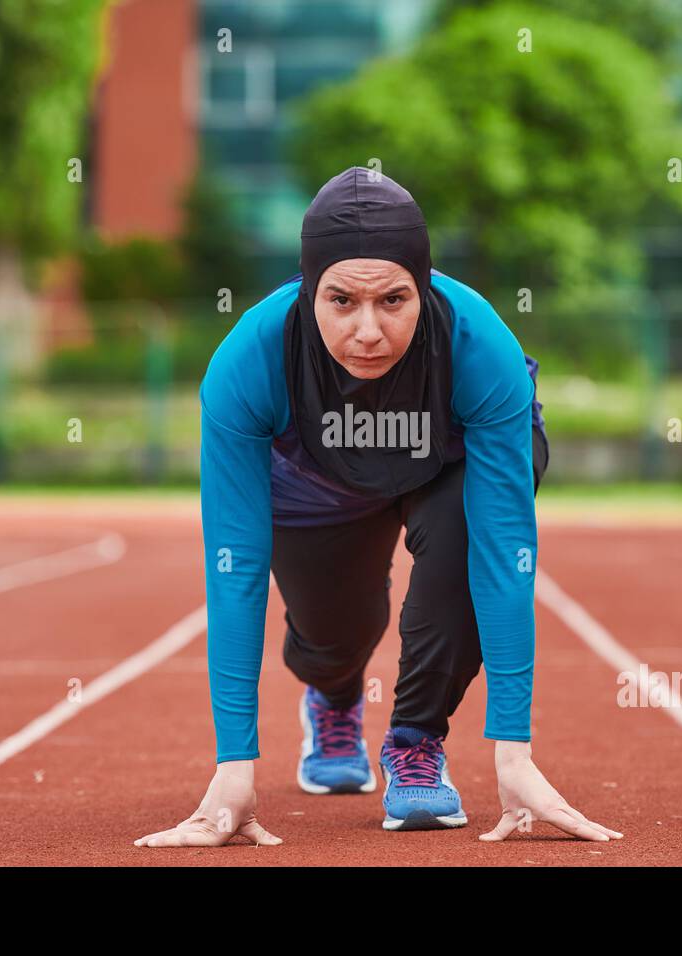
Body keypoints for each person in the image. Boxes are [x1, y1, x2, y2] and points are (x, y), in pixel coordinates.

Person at [136, 167, 623, 846]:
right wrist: (233, 768)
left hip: (447, 468)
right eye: (341, 301)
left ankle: (415, 741)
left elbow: (505, 553)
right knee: (334, 633)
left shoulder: (481, 348)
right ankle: (334, 696)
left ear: (424, 289)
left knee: (464, 549)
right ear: (308, 293)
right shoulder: (248, 363)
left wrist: (513, 752)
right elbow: (233, 565)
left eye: (394, 299)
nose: (368, 330)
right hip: (317, 488)